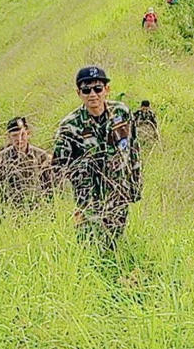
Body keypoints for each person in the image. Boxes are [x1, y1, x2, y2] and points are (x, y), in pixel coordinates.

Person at [53, 66, 142, 248]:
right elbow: (58, 167)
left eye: (97, 89)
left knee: (115, 243)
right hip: (89, 200)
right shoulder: (69, 126)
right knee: (90, 246)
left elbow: (133, 150)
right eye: (86, 90)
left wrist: (135, 186)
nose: (92, 94)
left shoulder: (122, 113)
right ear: (79, 93)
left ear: (106, 90)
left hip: (119, 193)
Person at [0, 117, 57, 209]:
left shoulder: (40, 155)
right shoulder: (1, 158)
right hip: (11, 209)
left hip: (38, 207)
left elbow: (51, 183)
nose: (19, 139)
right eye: (15, 135)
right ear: (8, 137)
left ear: (28, 134)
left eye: (22, 134)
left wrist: (49, 205)